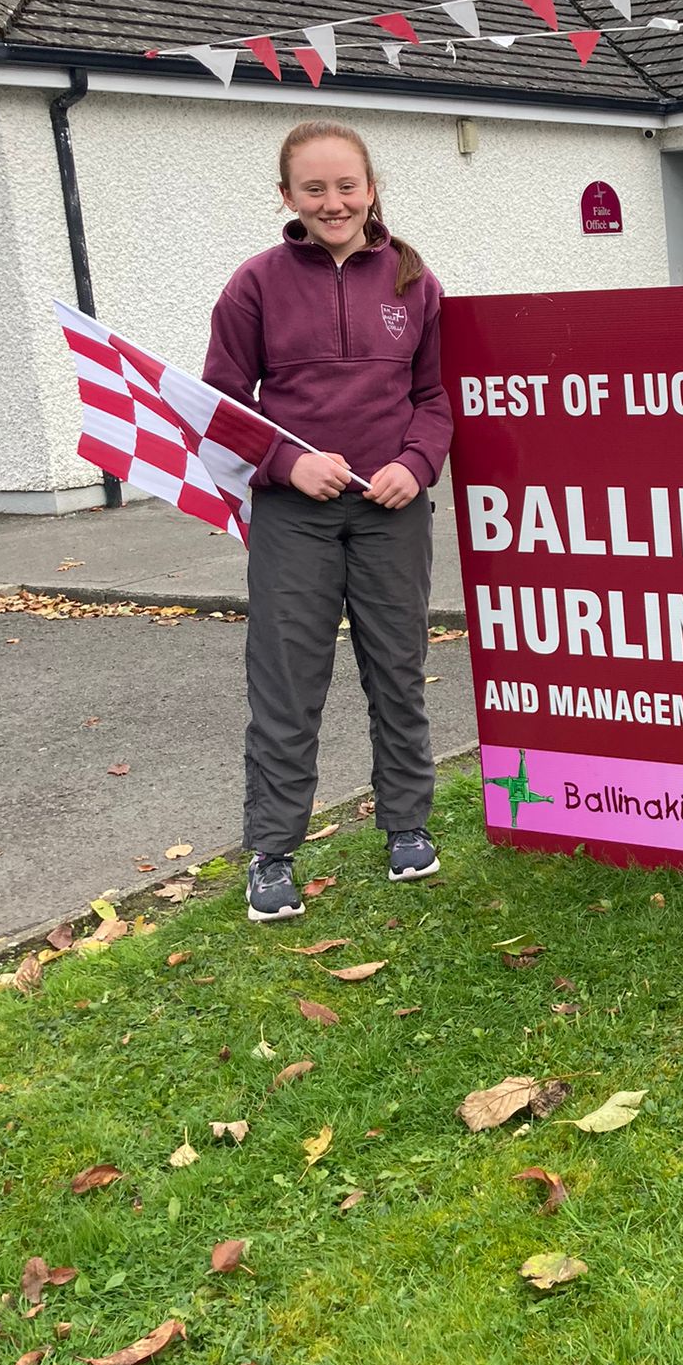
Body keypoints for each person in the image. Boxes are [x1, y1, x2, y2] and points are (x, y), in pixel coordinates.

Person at [205, 120, 453, 921]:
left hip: (390, 515)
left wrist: (413, 468)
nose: (333, 201)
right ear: (288, 198)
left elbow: (434, 401)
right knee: (286, 683)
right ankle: (272, 854)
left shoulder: (415, 281)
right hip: (294, 518)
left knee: (397, 669)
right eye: (314, 188)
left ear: (370, 187)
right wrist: (285, 463)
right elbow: (221, 409)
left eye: (346, 185)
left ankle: (407, 826)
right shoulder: (256, 285)